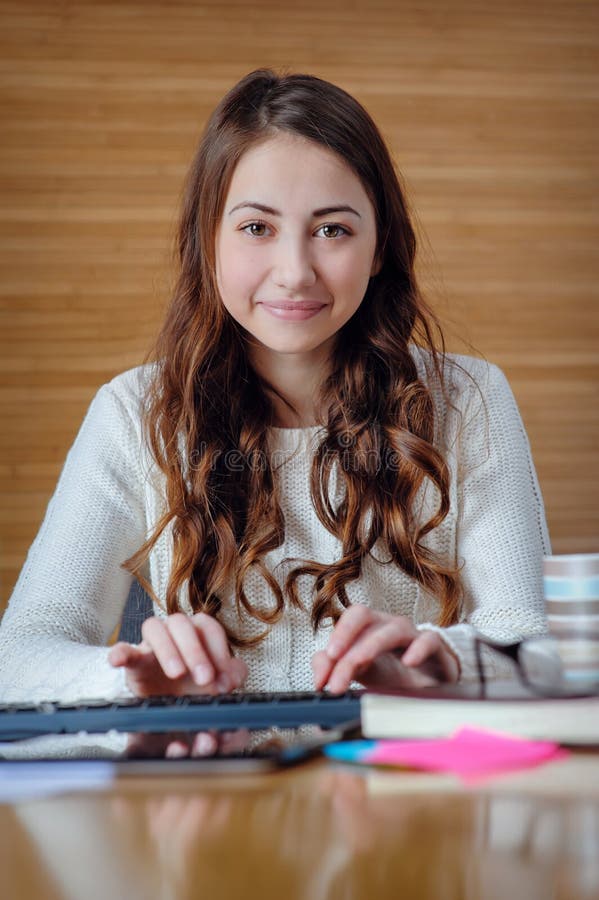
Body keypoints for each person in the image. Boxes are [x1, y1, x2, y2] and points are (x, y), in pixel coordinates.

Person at [0, 69, 550, 708]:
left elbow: (530, 645)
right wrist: (129, 679)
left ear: (379, 248)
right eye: (257, 228)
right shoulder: (133, 413)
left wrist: (440, 663)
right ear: (209, 241)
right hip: (210, 800)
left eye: (333, 230)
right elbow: (20, 653)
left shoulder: (468, 401)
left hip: (398, 795)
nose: (294, 273)